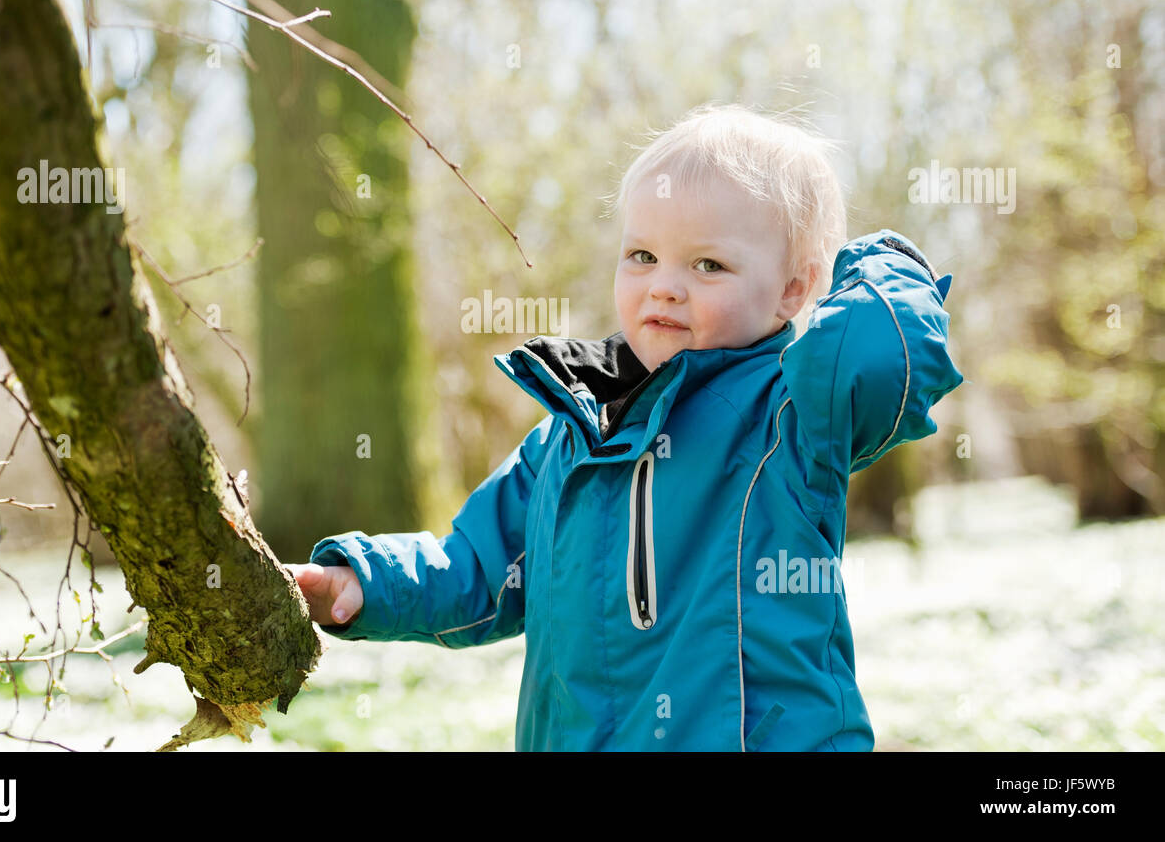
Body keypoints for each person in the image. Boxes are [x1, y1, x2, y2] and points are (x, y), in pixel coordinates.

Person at [286, 102, 965, 751]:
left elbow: (882, 357)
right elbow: (477, 567)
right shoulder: (570, 432)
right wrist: (363, 583)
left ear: (792, 290)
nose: (663, 286)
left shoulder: (790, 414)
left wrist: (888, 259)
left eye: (708, 264)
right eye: (642, 255)